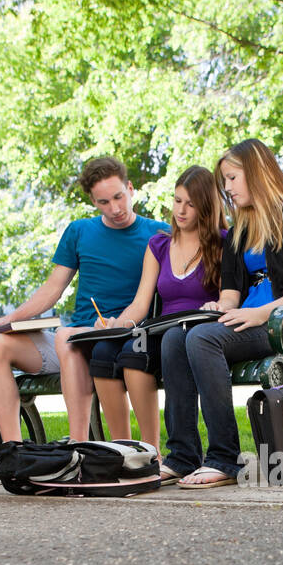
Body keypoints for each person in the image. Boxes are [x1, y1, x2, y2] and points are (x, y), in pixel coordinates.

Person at [0, 156, 167, 480]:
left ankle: (78, 449)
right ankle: (13, 455)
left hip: (123, 338)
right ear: (93, 201)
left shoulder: (158, 233)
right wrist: (6, 320)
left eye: (119, 197)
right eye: (104, 202)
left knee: (67, 336)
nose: (115, 208)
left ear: (130, 188)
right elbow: (53, 288)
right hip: (77, 335)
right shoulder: (79, 232)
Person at [160, 138, 283, 488]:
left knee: (203, 339)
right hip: (250, 322)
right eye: (225, 181)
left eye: (233, 178)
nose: (227, 188)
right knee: (176, 337)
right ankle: (182, 455)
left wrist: (262, 313)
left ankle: (224, 458)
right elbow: (232, 296)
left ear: (256, 172)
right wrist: (219, 307)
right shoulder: (238, 231)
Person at [87, 166, 228, 462]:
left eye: (191, 204)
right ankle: (129, 450)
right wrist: (116, 324)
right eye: (178, 201)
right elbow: (140, 304)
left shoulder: (223, 243)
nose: (182, 210)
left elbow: (230, 296)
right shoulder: (159, 245)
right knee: (105, 350)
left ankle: (153, 453)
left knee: (134, 354)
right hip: (161, 327)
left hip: (198, 330)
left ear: (207, 207)